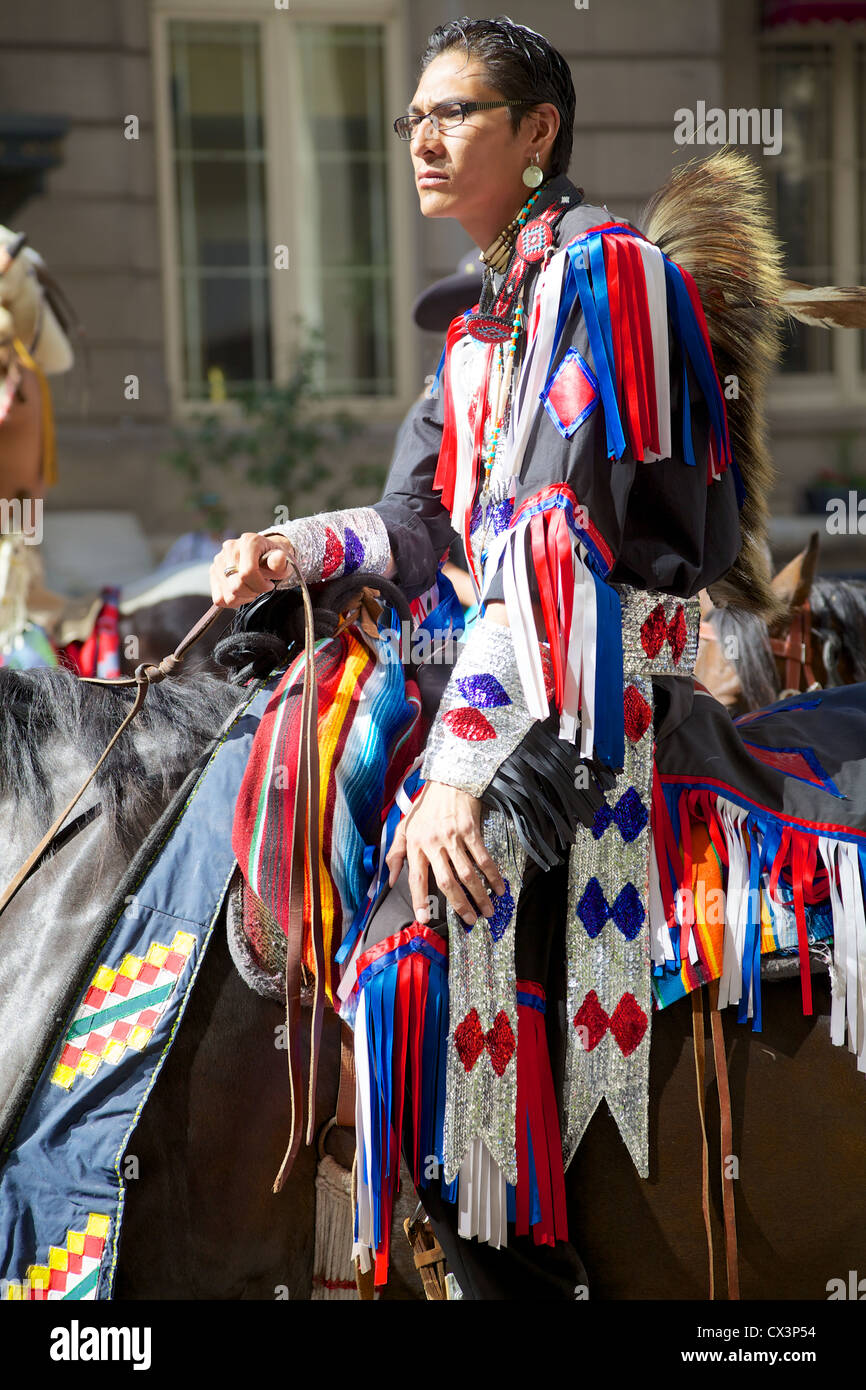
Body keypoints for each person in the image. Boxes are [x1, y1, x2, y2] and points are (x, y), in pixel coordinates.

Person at [211, 17, 866, 1299]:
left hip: (597, 705)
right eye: (411, 119)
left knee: (416, 935)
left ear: (537, 133)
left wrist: (456, 774)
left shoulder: (598, 281)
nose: (422, 138)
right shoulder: (481, 324)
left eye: (452, 113)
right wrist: (290, 549)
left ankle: (526, 1269)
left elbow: (549, 548)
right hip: (520, 693)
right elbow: (419, 524)